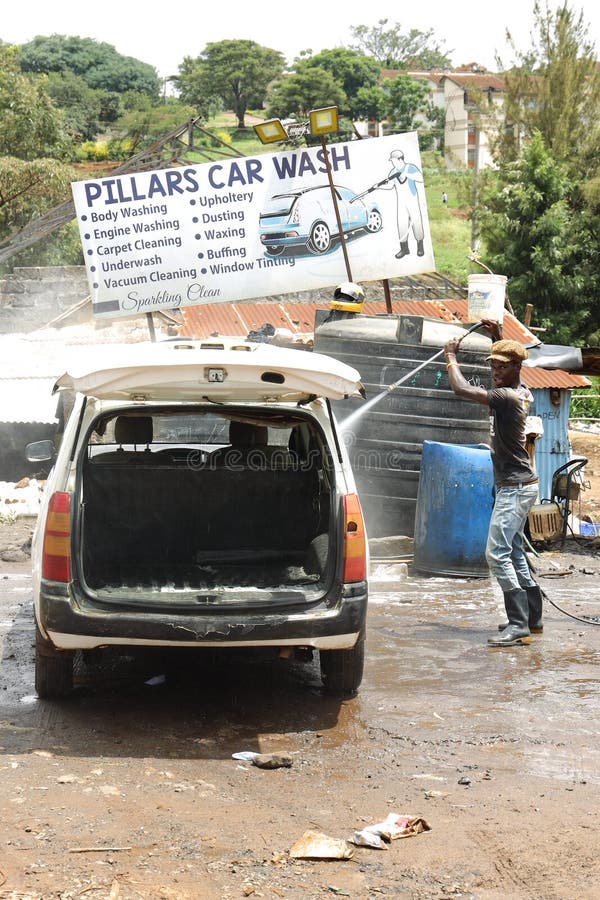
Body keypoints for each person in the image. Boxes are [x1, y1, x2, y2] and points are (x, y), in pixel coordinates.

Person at [443, 334, 544, 647]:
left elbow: (461, 389)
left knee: (496, 553)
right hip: (516, 484)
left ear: (515, 366)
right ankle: (533, 618)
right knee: (513, 551)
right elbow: (509, 353)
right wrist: (495, 332)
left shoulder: (507, 397)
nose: (494, 371)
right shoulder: (521, 391)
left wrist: (451, 357)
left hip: (515, 487)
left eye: (501, 366)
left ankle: (518, 624)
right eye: (493, 365)